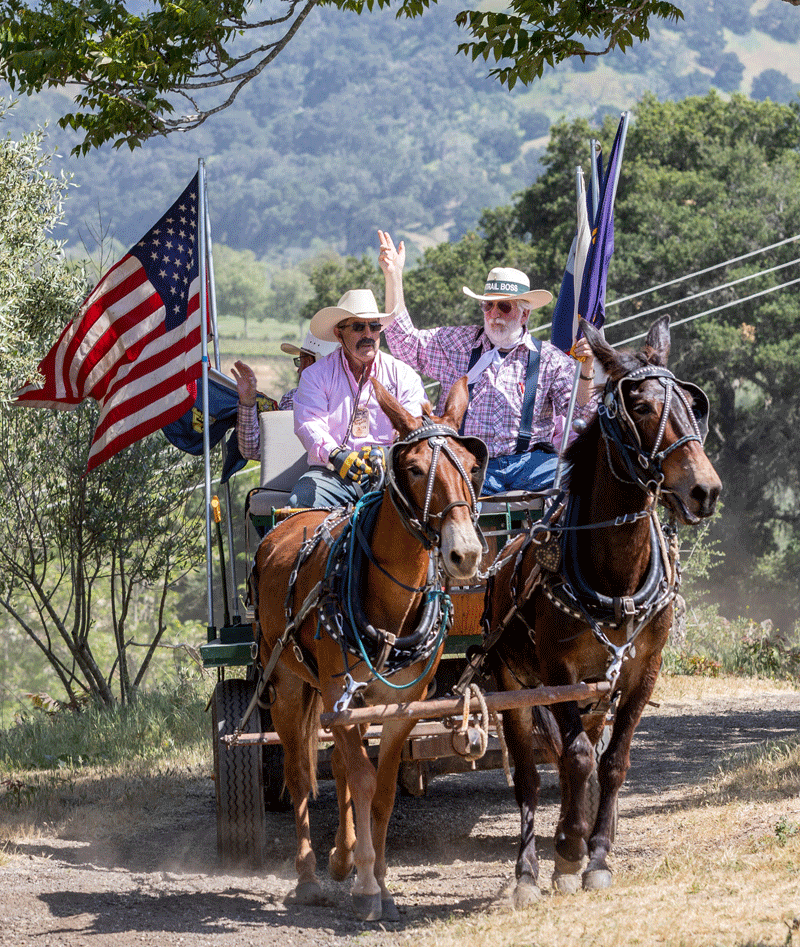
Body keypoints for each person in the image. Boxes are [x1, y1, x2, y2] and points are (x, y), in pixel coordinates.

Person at [378, 229, 597, 496]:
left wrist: (586, 371)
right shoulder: (457, 344)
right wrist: (393, 275)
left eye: (504, 307)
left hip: (533, 463)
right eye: (488, 306)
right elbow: (404, 343)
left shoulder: (549, 359)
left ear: (524, 313)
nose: (494, 314)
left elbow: (582, 414)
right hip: (470, 463)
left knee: (585, 482)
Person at [289, 288, 427, 508]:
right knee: (300, 503)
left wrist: (391, 453)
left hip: (390, 474)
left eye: (374, 327)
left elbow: (417, 425)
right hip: (331, 475)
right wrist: (334, 454)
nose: (368, 334)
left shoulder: (403, 374)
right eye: (358, 327)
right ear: (338, 333)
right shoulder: (316, 374)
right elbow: (308, 423)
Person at [232, 331, 338, 461]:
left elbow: (253, 450)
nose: (298, 369)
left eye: (301, 361)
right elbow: (253, 450)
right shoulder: (356, 399)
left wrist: (248, 403)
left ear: (311, 362)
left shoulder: (294, 399)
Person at [278, 330, 340, 410]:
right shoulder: (350, 397)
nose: (298, 370)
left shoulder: (292, 398)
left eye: (300, 361)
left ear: (309, 362)